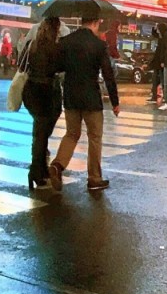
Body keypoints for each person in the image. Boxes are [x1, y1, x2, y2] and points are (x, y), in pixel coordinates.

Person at [48, 14, 119, 193]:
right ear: (95, 22)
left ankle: (57, 165)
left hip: (71, 95)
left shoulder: (66, 41)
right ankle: (94, 178)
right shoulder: (98, 45)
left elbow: (56, 67)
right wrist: (115, 101)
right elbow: (108, 74)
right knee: (95, 137)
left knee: (72, 134)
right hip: (91, 98)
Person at [20, 16, 63, 190]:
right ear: (55, 29)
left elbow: (22, 65)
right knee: (42, 133)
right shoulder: (55, 48)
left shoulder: (32, 44)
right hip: (47, 92)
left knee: (40, 131)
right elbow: (60, 68)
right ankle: (36, 171)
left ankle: (40, 169)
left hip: (31, 90)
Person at [149, 25, 165, 105]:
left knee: (162, 80)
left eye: (158, 29)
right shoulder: (160, 38)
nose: (157, 31)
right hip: (158, 64)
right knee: (156, 80)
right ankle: (155, 95)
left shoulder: (164, 39)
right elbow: (155, 34)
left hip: (161, 64)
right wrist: (154, 28)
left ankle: (162, 95)